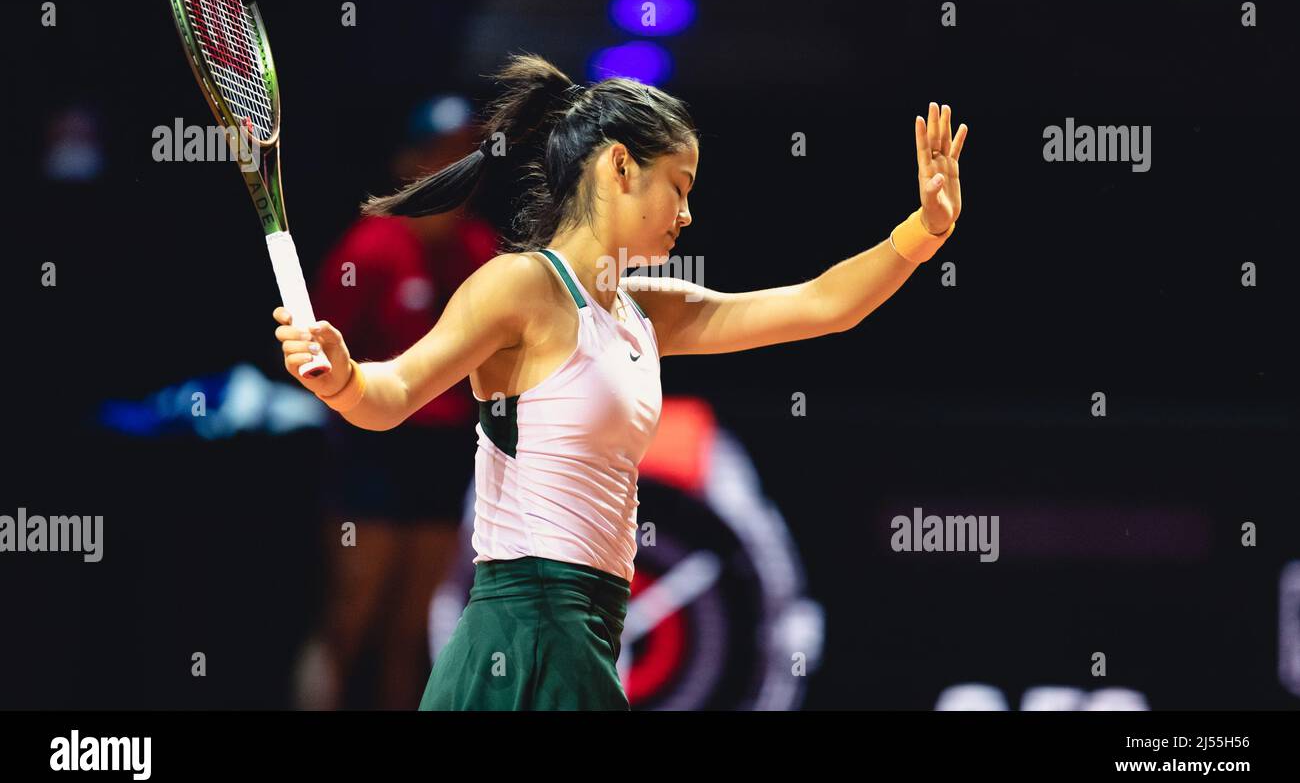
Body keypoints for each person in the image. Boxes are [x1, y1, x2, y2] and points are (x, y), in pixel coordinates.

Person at [272, 52, 967, 710]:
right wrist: (341, 379)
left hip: (589, 629)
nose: (688, 215)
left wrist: (922, 232)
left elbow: (823, 305)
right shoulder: (520, 285)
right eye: (680, 187)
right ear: (620, 166)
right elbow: (389, 396)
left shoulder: (648, 312)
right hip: (528, 630)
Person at [299, 101, 498, 710]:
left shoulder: (482, 253)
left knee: (413, 632)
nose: (455, 166)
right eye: (442, 151)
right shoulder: (370, 248)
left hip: (442, 458)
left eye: (467, 154)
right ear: (409, 163)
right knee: (349, 619)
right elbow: (318, 363)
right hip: (371, 453)